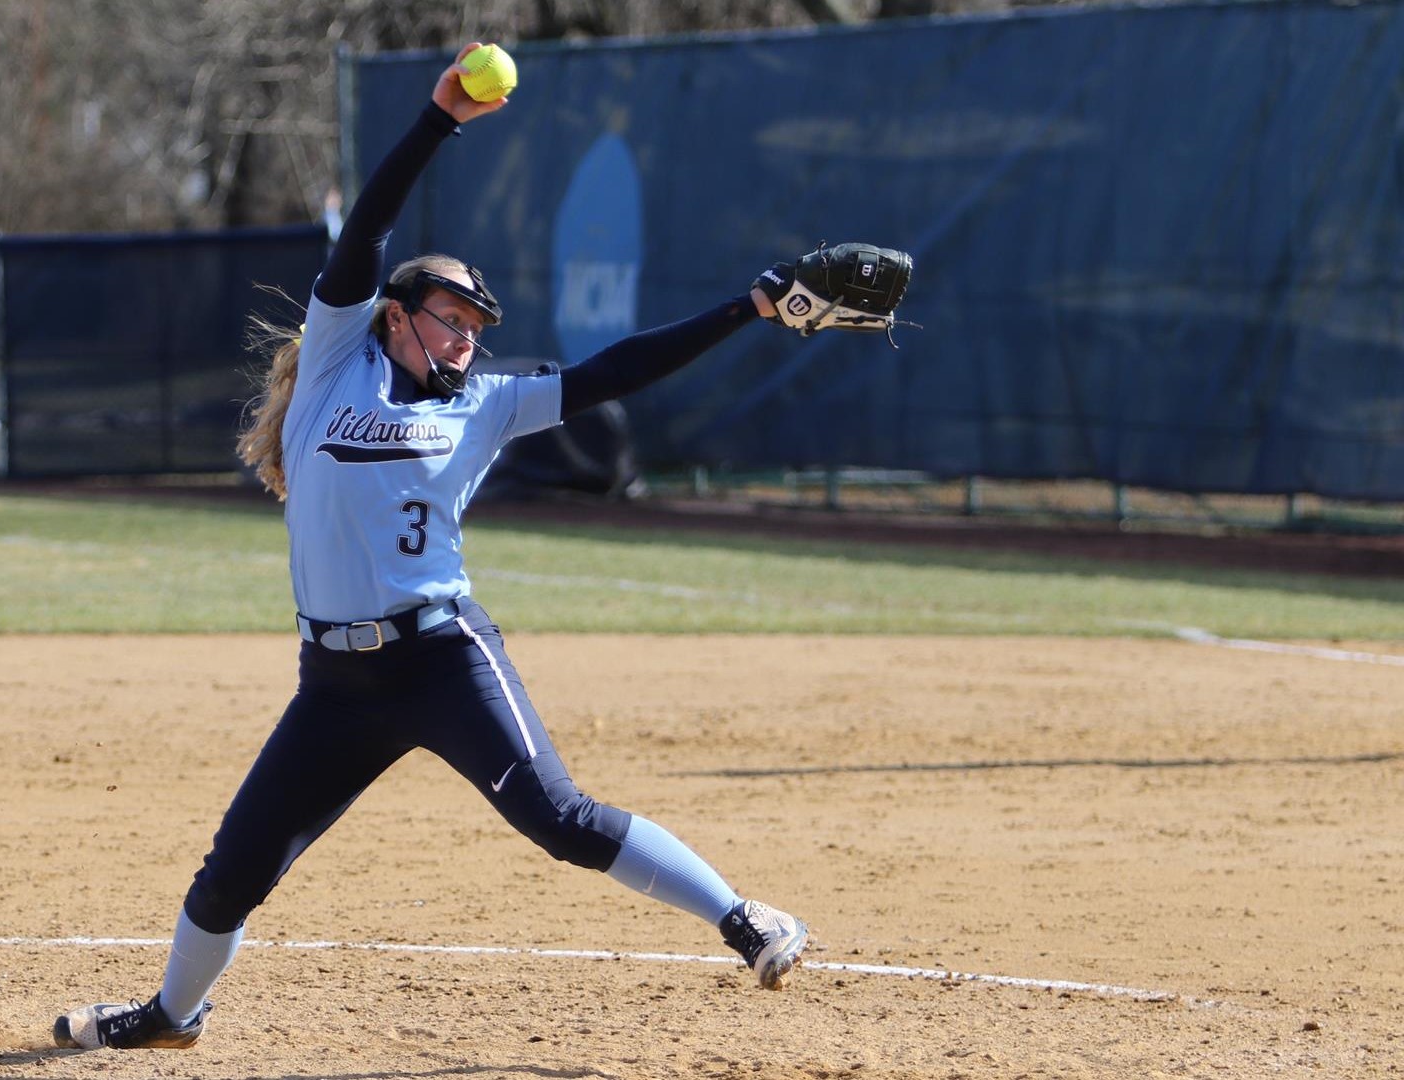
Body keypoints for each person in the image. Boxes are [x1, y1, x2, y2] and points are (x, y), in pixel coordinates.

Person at [53, 41, 909, 1053]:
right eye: (448, 321)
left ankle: (746, 918)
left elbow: (613, 373)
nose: (464, 340)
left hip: (443, 657)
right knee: (233, 868)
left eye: (474, 326)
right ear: (395, 320)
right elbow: (365, 231)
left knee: (559, 819)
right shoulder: (337, 367)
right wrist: (439, 120)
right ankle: (171, 1015)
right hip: (333, 683)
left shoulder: (488, 409)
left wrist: (749, 308)